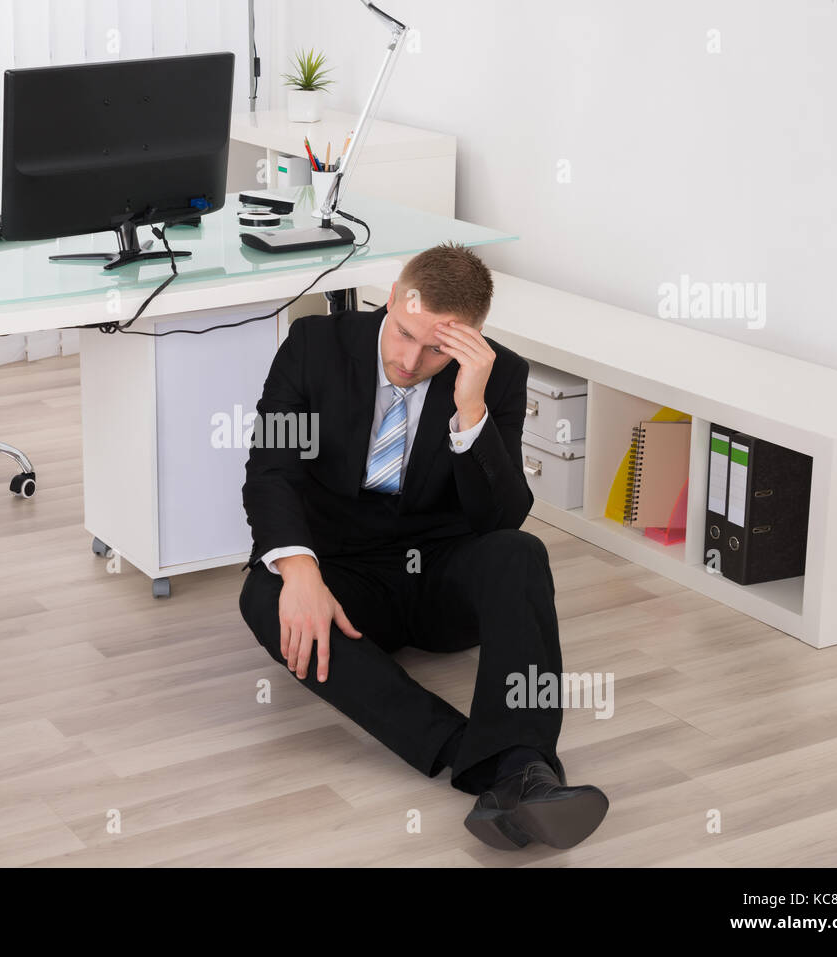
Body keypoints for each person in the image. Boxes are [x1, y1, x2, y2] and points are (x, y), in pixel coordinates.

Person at [237, 242, 608, 850]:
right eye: (404, 333)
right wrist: (302, 575)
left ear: (472, 338)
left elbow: (501, 518)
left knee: (521, 553)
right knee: (262, 592)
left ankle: (516, 762)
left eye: (438, 347)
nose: (410, 360)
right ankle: (500, 764)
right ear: (391, 299)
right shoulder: (312, 346)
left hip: (439, 575)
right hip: (343, 580)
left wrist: (470, 411)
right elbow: (270, 469)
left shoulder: (499, 377)